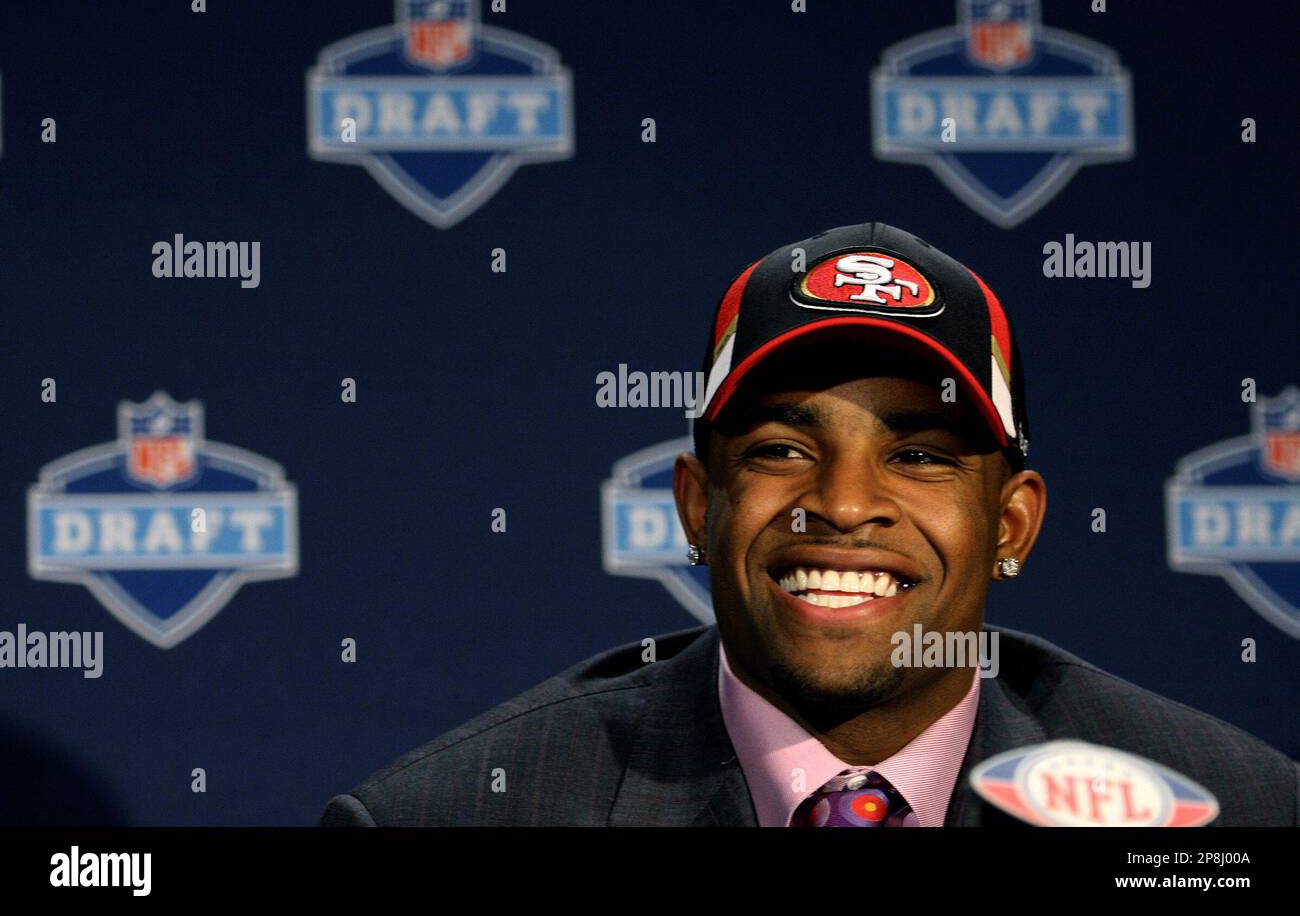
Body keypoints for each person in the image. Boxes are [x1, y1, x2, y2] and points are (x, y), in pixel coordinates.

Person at [321, 222, 1297, 827]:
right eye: (782, 448)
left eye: (917, 454)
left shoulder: (1227, 813)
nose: (838, 501)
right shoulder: (454, 813)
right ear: (698, 506)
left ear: (1012, 522)